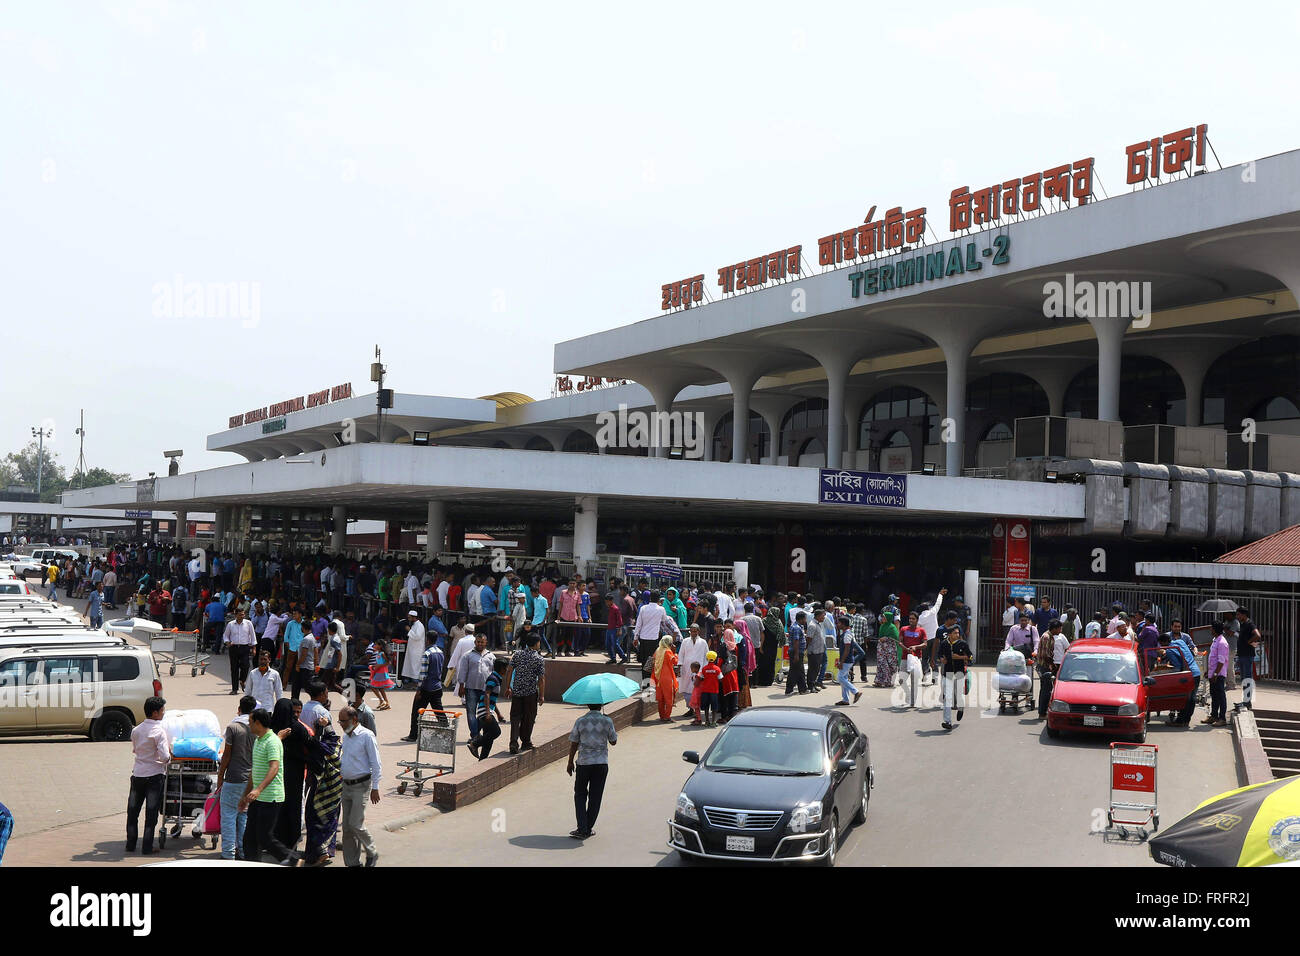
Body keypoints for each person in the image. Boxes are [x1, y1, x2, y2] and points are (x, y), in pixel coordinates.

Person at [239, 707, 298, 866]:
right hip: (257, 798)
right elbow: (255, 769)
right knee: (249, 838)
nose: (249, 725)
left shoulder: (272, 741)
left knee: (265, 837)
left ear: (258, 723)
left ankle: (294, 861)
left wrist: (258, 789)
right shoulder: (259, 740)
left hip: (270, 797)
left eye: (250, 722)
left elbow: (274, 768)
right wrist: (246, 795)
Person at [338, 705, 382, 867]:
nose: (341, 724)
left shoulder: (367, 736)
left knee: (356, 823)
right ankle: (352, 863)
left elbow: (376, 764)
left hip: (361, 786)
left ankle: (372, 851)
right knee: (348, 829)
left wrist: (375, 787)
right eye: (340, 721)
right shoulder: (346, 737)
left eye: (343, 721)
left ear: (354, 719)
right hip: (346, 785)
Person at [126, 696, 170, 855]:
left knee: (133, 811)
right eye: (162, 710)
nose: (164, 713)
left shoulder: (136, 730)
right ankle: (147, 846)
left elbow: (135, 749)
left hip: (137, 774)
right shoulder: (159, 731)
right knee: (151, 814)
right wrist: (169, 757)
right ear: (155, 713)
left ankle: (130, 844)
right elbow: (164, 756)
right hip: (154, 776)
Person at [566, 703, 618, 839]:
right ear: (601, 705)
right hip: (601, 764)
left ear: (588, 705)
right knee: (596, 797)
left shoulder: (580, 721)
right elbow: (613, 741)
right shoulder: (607, 721)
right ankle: (587, 828)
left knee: (580, 795)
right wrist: (608, 724)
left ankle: (582, 828)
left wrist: (570, 762)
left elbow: (574, 743)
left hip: (584, 763)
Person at [215, 695, 255, 860]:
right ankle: (243, 851)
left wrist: (220, 777)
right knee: (243, 816)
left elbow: (227, 756)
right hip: (251, 779)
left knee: (229, 817)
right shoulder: (257, 728)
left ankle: (228, 854)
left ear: (239, 709)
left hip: (233, 778)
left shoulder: (233, 727)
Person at [271, 698, 312, 852]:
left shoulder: (271, 728)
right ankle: (292, 842)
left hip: (275, 775)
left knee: (277, 807)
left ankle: (275, 840)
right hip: (295, 774)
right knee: (293, 807)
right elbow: (309, 748)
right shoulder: (298, 728)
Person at [303, 711, 342, 866]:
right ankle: (325, 850)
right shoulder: (336, 744)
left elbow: (315, 768)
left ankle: (319, 852)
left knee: (314, 819)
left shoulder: (318, 748)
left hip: (320, 791)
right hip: (336, 792)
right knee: (330, 821)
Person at [505, 630, 546, 753]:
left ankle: (513, 742)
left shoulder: (517, 654)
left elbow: (509, 670)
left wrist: (508, 687)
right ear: (536, 643)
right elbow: (541, 679)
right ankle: (526, 742)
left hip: (517, 692)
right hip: (530, 693)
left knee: (515, 718)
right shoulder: (539, 659)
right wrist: (542, 695)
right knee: (529, 718)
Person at [404, 637, 446, 742]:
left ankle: (413, 735)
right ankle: (447, 731)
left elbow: (423, 674)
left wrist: (418, 689)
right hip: (437, 686)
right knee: (439, 711)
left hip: (426, 688)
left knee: (416, 712)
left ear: (427, 640)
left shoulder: (426, 654)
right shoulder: (440, 652)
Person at [455, 631, 495, 738]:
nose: (480, 644)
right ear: (475, 642)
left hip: (485, 690)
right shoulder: (467, 655)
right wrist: (461, 686)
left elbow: (494, 673)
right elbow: (462, 671)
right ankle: (475, 735)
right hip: (470, 689)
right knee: (471, 713)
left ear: (486, 643)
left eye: (482, 642)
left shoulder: (491, 656)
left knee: (483, 714)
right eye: (478, 642)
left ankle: (475, 732)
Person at [468, 657, 507, 759]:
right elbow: (487, 695)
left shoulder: (497, 678)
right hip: (484, 711)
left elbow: (492, 699)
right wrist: (488, 713)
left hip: (487, 710)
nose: (506, 670)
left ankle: (482, 759)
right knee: (496, 732)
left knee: (489, 739)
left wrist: (498, 713)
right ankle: (474, 744)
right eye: (505, 668)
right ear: (501, 668)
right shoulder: (493, 678)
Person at [937, 625, 971, 730]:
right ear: (950, 634)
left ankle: (961, 708)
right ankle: (948, 721)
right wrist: (942, 659)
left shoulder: (963, 644)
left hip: (959, 673)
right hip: (948, 673)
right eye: (955, 633)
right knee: (948, 697)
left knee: (959, 695)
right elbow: (939, 655)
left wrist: (960, 657)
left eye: (958, 633)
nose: (957, 634)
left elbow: (970, 656)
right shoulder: (944, 644)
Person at [1035, 620, 1068, 720]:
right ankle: (1042, 713)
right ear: (1054, 629)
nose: (1060, 630)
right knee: (1046, 689)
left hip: (1046, 665)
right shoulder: (1046, 637)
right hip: (1044, 666)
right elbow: (1046, 655)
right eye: (1059, 628)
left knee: (1046, 689)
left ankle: (1043, 711)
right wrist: (1052, 666)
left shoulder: (1051, 636)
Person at [223, 605, 257, 695]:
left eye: (243, 615)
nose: (242, 616)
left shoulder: (248, 623)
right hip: (234, 648)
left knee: (246, 665)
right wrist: (227, 642)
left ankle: (242, 680)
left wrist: (254, 648)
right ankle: (234, 689)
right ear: (236, 615)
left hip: (245, 647)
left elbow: (253, 636)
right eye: (240, 615)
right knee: (234, 668)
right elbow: (225, 635)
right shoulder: (231, 624)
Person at [678, 624, 709, 719]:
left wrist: (704, 669)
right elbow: (681, 654)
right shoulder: (685, 641)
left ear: (698, 631)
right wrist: (679, 666)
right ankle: (690, 709)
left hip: (699, 669)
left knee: (697, 690)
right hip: (686, 669)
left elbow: (706, 656)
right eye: (692, 631)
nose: (693, 633)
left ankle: (697, 710)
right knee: (686, 689)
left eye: (695, 631)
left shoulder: (703, 642)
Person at [898, 611, 927, 708]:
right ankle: (908, 693)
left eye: (913, 619)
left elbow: (925, 644)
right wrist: (905, 648)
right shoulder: (903, 629)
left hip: (916, 659)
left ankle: (913, 702)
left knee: (914, 681)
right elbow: (900, 642)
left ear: (917, 620)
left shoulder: (921, 631)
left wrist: (916, 647)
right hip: (905, 658)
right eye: (910, 618)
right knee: (901, 680)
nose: (911, 620)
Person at [1204, 622, 1231, 726]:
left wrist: (1215, 674)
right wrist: (1209, 671)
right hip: (1213, 673)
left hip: (1218, 674)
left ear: (1215, 630)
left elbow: (1221, 661)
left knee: (1220, 696)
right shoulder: (1215, 640)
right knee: (1214, 695)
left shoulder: (1222, 643)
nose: (1210, 630)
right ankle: (1214, 715)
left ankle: (1222, 718)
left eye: (1211, 628)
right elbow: (1213, 658)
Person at [1235, 607, 1261, 710]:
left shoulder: (1250, 624)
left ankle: (1247, 702)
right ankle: (1245, 701)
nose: (1237, 617)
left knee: (1247, 679)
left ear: (1244, 615)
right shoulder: (1242, 625)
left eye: (1238, 615)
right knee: (1243, 679)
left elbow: (1258, 635)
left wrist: (1249, 642)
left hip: (1247, 655)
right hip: (1242, 655)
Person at [834, 616, 863, 706]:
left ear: (843, 624)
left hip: (846, 660)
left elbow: (847, 650)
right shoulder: (846, 633)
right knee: (844, 679)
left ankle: (856, 692)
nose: (837, 624)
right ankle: (845, 699)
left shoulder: (847, 634)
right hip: (846, 660)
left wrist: (841, 662)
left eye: (839, 623)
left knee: (840, 678)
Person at [651, 635, 678, 722]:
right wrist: (675, 652)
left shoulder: (657, 650)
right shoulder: (668, 652)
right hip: (667, 678)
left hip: (657, 677)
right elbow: (675, 662)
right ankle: (667, 716)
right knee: (669, 698)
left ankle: (662, 716)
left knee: (661, 699)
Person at [784, 611, 809, 696]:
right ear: (801, 619)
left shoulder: (799, 626)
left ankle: (802, 689)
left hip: (798, 651)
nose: (806, 620)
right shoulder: (796, 628)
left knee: (799, 670)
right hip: (796, 652)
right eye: (805, 618)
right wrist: (796, 654)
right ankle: (789, 689)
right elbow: (796, 641)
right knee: (794, 671)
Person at [367, 637, 395, 710]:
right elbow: (378, 662)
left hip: (381, 672)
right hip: (378, 671)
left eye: (376, 645)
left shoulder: (382, 653)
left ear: (380, 646)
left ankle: (382, 700)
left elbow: (387, 663)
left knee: (372, 686)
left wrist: (379, 665)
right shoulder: (378, 653)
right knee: (380, 688)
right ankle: (385, 702)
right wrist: (374, 666)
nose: (374, 646)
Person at [697, 650, 723, 727]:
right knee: (714, 706)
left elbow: (701, 678)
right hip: (714, 690)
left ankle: (707, 721)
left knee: (706, 706)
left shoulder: (704, 669)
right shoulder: (717, 669)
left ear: (707, 659)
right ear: (715, 659)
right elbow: (721, 679)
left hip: (705, 690)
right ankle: (713, 721)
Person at [400, 609, 427, 684]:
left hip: (417, 650)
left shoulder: (420, 625)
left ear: (414, 617)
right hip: (412, 649)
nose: (408, 619)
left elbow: (417, 637)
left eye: (409, 617)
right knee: (410, 664)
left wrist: (409, 631)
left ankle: (415, 680)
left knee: (415, 665)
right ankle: (408, 679)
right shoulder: (414, 625)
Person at [874, 611, 899, 688]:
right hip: (881, 648)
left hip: (890, 649)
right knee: (882, 664)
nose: (883, 618)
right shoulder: (882, 626)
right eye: (883, 617)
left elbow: (896, 638)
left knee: (890, 665)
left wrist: (887, 638)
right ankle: (880, 681)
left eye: (884, 617)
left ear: (888, 618)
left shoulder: (892, 627)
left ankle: (888, 681)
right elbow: (880, 636)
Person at [603, 593, 627, 664]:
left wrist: (619, 629)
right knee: (608, 644)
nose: (606, 603)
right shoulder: (610, 608)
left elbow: (619, 620)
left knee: (615, 644)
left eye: (607, 601)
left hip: (614, 629)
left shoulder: (615, 609)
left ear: (611, 601)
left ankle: (623, 657)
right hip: (609, 628)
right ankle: (613, 658)